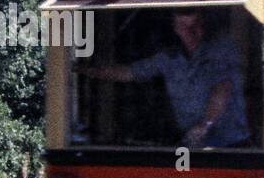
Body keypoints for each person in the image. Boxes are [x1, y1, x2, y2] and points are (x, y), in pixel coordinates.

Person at [86, 10, 250, 148]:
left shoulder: (221, 49)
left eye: (194, 26)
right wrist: (86, 70)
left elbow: (222, 88)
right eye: (183, 27)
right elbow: (130, 73)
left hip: (231, 145)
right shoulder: (169, 58)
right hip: (193, 146)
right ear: (176, 28)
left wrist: (204, 125)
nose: (190, 32)